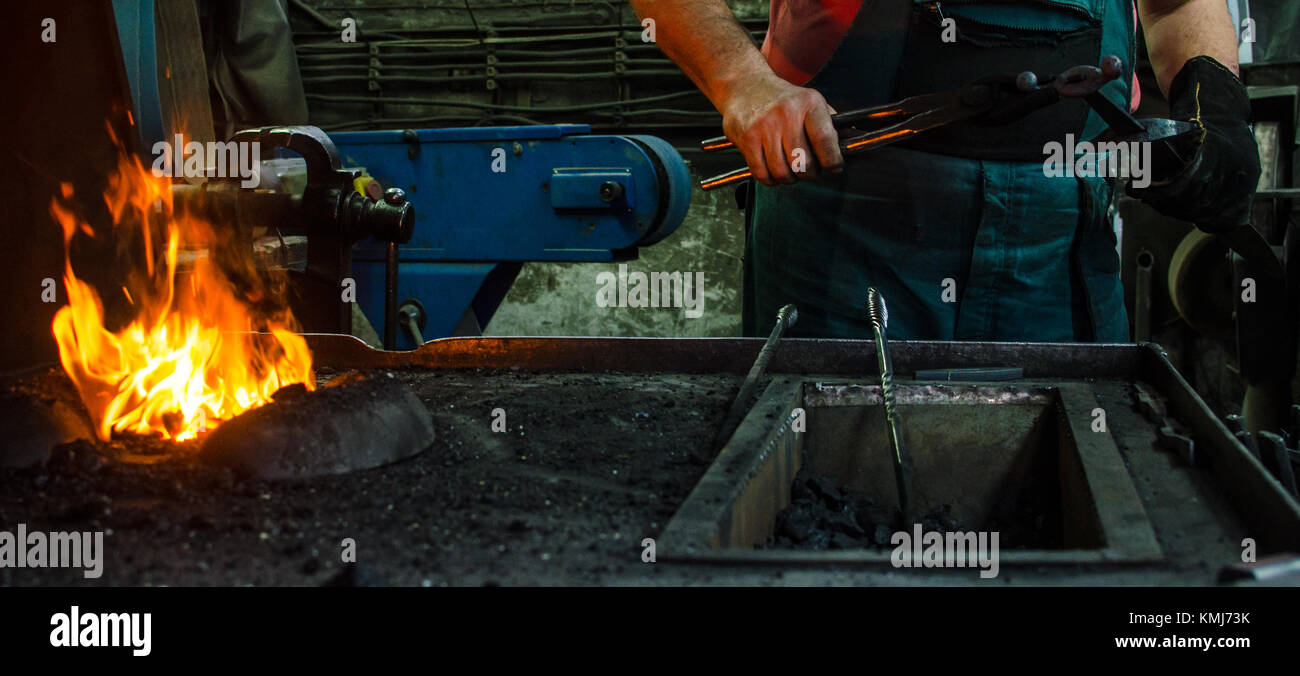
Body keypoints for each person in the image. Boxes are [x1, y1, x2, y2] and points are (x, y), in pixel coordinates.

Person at [630, 0, 1261, 341]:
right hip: (844, 232)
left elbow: (1178, 6)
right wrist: (743, 84)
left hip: (1062, 243)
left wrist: (1219, 106)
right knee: (822, 491)